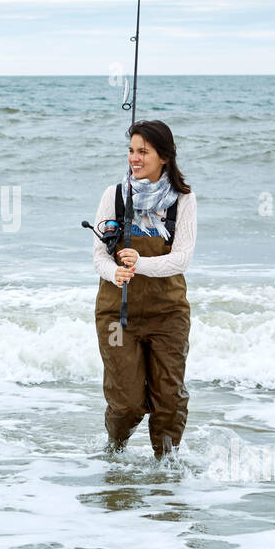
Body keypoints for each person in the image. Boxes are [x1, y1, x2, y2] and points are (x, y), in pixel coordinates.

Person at [91, 119, 196, 458]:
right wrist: (114, 272)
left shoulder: (183, 199)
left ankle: (166, 474)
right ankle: (114, 452)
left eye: (143, 152)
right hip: (116, 315)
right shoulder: (116, 194)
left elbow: (181, 259)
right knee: (127, 403)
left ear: (164, 156)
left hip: (168, 314)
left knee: (170, 399)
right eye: (131, 151)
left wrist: (138, 264)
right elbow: (98, 258)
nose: (134, 159)